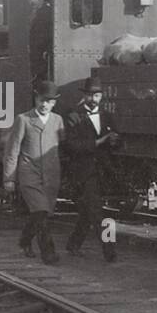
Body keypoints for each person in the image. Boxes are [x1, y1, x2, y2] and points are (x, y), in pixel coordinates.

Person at [2, 79, 65, 264]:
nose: (44, 104)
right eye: (41, 99)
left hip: (51, 174)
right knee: (40, 211)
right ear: (36, 99)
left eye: (49, 101)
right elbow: (12, 150)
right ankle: (49, 253)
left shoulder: (58, 121)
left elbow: (62, 146)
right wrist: (9, 178)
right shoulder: (24, 119)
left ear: (54, 102)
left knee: (40, 213)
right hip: (29, 172)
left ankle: (24, 241)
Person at [64, 77, 122, 262]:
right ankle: (110, 251)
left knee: (88, 212)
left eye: (97, 95)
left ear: (101, 97)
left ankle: (73, 244)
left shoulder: (107, 116)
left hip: (103, 171)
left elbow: (116, 143)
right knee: (98, 212)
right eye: (90, 95)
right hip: (82, 171)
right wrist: (100, 142)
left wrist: (114, 141)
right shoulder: (74, 116)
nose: (93, 99)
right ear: (84, 96)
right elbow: (72, 146)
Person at [27, 0, 53, 84]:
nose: (32, 1)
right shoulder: (33, 14)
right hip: (34, 57)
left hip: (42, 58)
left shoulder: (46, 13)